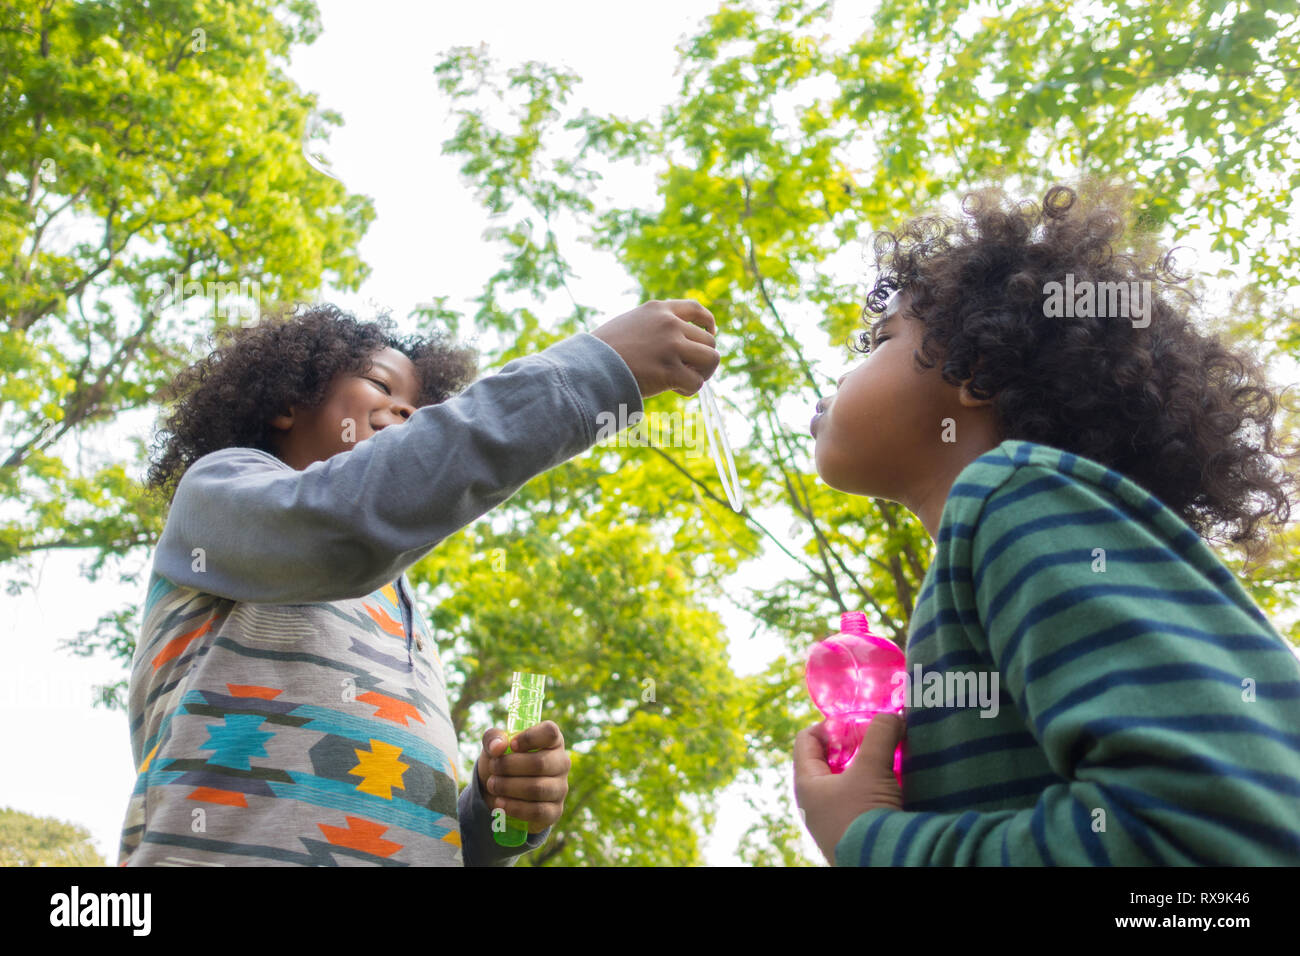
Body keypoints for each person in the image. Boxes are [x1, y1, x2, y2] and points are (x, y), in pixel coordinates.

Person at [793, 181, 1300, 865]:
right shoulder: (1008, 536)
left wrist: (873, 842)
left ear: (974, 371)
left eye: (879, 340)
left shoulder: (1015, 498)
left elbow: (1208, 837)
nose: (835, 385)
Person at [117, 298, 718, 865]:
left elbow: (414, 833)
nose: (408, 412)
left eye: (421, 406)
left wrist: (491, 812)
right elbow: (347, 519)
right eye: (381, 385)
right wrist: (594, 371)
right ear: (287, 402)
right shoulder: (222, 496)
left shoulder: (402, 611)